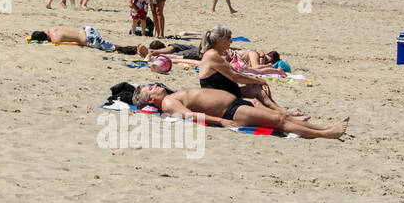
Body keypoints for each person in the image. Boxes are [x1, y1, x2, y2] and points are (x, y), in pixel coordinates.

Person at [132, 83, 346, 139]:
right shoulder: (168, 103)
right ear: (151, 99)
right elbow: (189, 115)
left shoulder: (169, 97)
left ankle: (324, 127)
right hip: (230, 113)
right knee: (279, 120)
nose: (156, 86)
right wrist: (220, 121)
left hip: (233, 106)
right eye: (151, 88)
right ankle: (325, 133)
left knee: (280, 117)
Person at [197, 25, 298, 116]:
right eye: (229, 38)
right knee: (255, 102)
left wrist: (256, 82)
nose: (231, 41)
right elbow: (235, 77)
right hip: (218, 98)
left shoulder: (218, 54)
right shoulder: (212, 55)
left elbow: (237, 74)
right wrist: (259, 80)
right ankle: (280, 116)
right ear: (220, 40)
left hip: (228, 92)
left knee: (257, 89)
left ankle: (282, 112)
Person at [28, 25, 116, 50]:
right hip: (88, 29)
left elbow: (71, 44)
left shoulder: (55, 40)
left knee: (115, 47)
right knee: (110, 44)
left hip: (89, 40)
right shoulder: (53, 29)